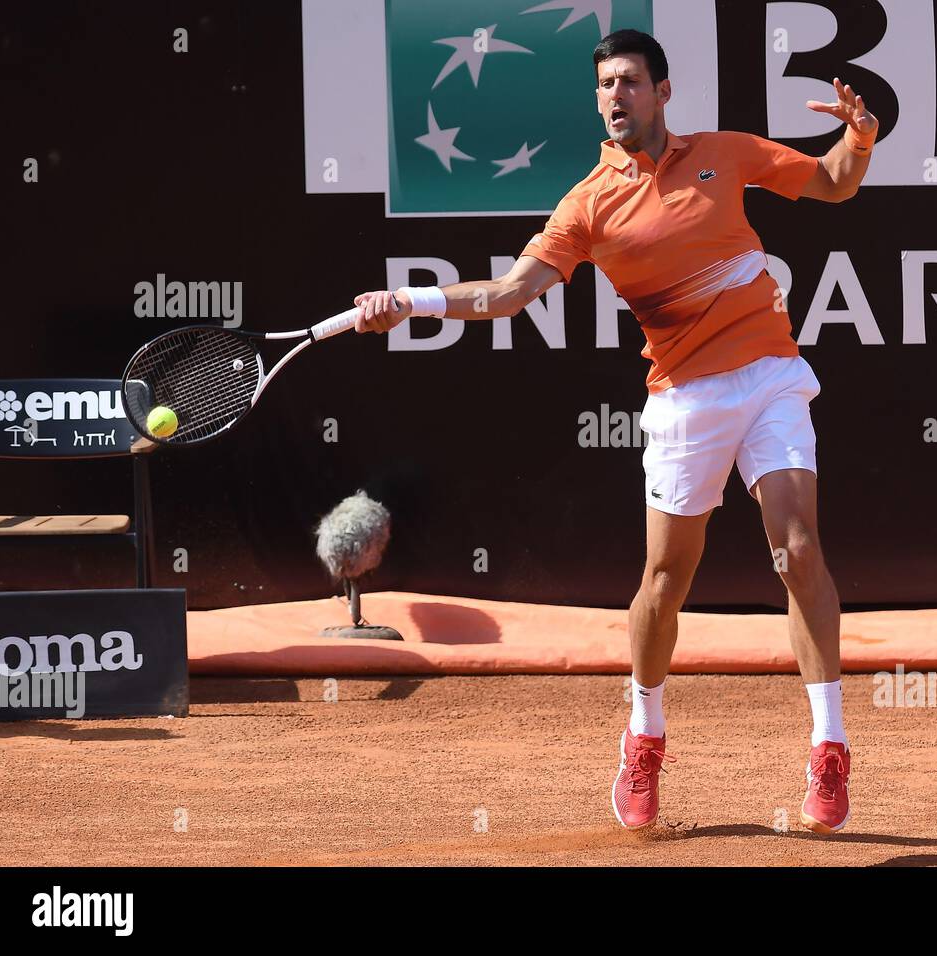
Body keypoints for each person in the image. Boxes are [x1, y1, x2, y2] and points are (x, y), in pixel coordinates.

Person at [351, 28, 876, 834]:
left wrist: (859, 138)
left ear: (663, 91)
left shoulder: (727, 154)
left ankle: (830, 746)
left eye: (630, 82)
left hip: (770, 376)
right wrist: (411, 303)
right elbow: (506, 294)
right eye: (604, 86)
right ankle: (645, 732)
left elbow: (836, 184)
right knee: (665, 585)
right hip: (683, 401)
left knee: (797, 548)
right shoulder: (589, 202)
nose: (615, 97)